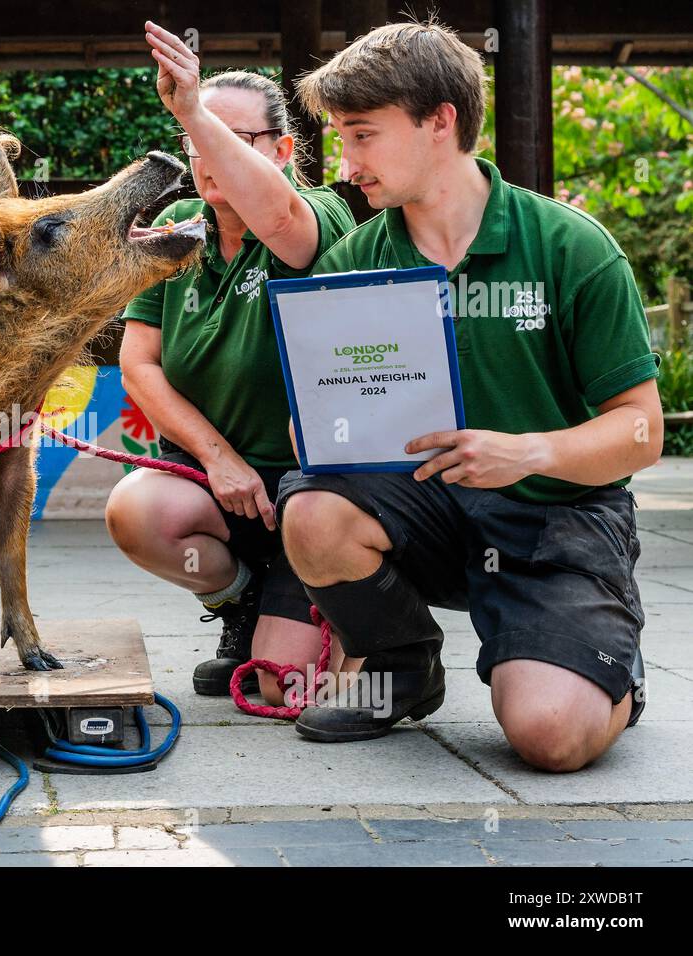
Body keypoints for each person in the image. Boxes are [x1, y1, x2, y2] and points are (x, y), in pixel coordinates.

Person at [274, 17, 662, 771]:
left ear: (439, 123)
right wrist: (321, 427)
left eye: (362, 136)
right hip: (428, 506)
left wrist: (527, 452)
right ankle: (400, 665)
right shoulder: (354, 261)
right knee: (312, 510)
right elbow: (311, 432)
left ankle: (608, 672)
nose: (344, 164)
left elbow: (642, 432)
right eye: (342, 138)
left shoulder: (572, 248)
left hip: (559, 517)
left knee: (550, 738)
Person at [105, 22, 356, 700]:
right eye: (197, 138)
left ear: (281, 150)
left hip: (313, 498)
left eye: (233, 138)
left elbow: (279, 225)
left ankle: (352, 608)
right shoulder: (181, 224)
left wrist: (190, 106)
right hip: (221, 484)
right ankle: (241, 603)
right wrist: (217, 458)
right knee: (137, 510)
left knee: (282, 688)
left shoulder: (318, 214)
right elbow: (140, 367)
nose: (209, 153)